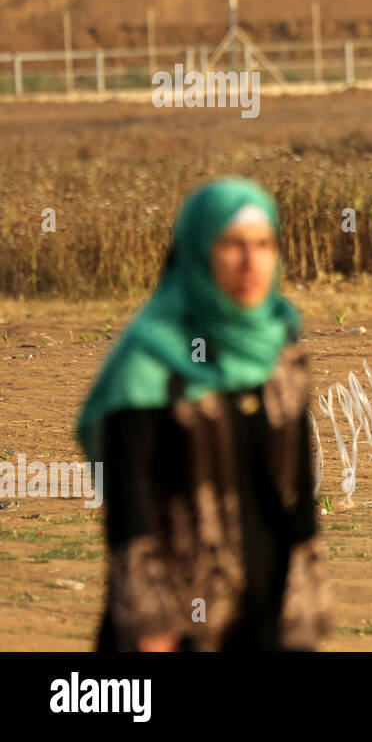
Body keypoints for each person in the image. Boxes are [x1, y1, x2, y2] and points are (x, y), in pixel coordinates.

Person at [76, 178, 331, 651]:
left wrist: (305, 610)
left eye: (264, 244)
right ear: (197, 251)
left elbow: (297, 496)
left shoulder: (281, 354)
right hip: (179, 626)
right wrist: (151, 626)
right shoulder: (149, 362)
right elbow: (130, 507)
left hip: (269, 618)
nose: (251, 262)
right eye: (232, 244)